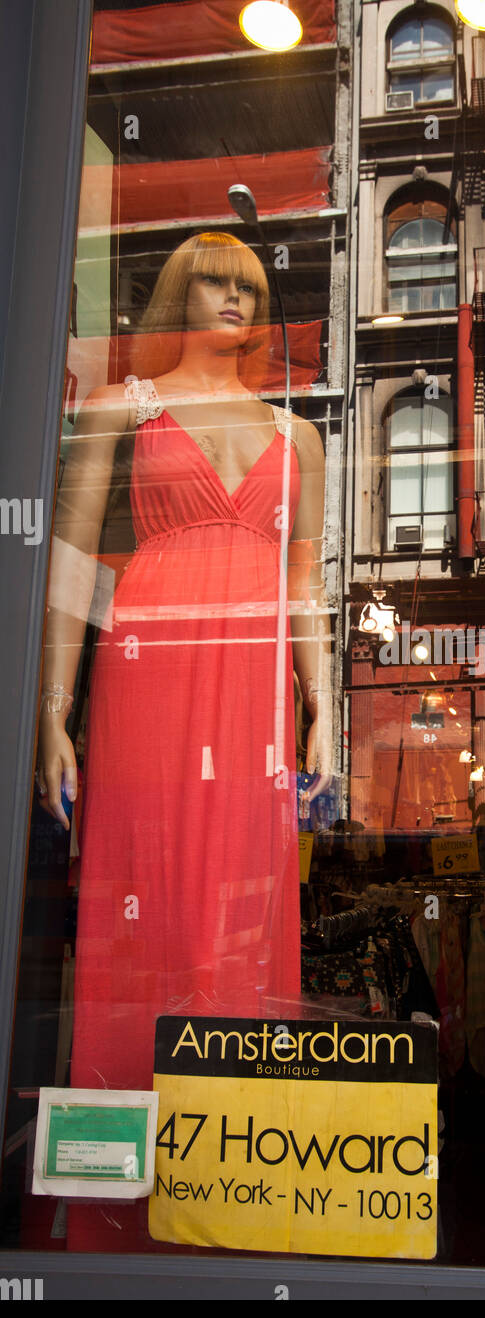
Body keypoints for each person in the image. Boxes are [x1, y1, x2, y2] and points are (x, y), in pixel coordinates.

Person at [35, 231, 332, 1249]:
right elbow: (72, 555)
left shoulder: (301, 434)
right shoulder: (124, 405)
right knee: (147, 900)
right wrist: (50, 705)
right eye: (213, 280)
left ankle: (238, 1192)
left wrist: (321, 703)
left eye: (250, 286)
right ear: (175, 289)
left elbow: (304, 584)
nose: (233, 299)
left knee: (239, 913)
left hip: (252, 685)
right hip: (152, 667)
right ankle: (122, 1210)